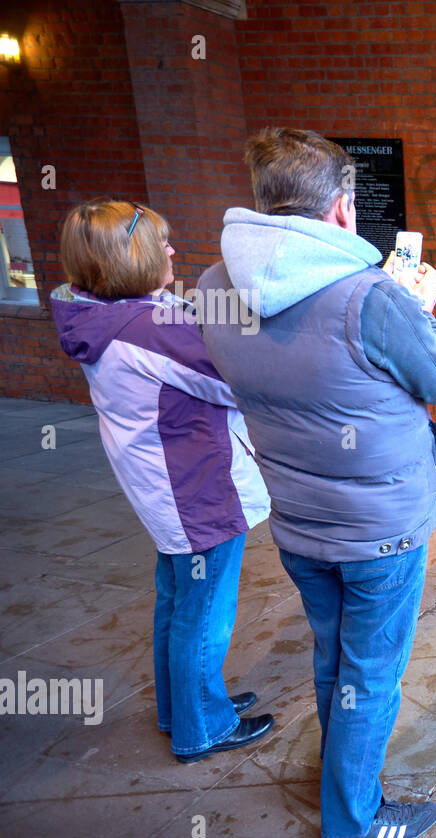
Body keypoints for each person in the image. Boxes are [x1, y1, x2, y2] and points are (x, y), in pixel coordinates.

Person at [196, 128, 436, 838]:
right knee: (372, 669)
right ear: (344, 208)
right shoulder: (371, 296)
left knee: (333, 654)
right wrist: (422, 309)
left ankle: (339, 781)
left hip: (296, 517)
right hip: (380, 523)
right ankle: (353, 821)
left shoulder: (212, 287)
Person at [50, 200, 274, 764]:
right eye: (162, 244)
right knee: (205, 611)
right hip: (197, 491)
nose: (173, 251)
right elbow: (240, 381)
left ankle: (185, 705)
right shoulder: (152, 327)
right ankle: (205, 726)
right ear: (131, 258)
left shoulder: (99, 314)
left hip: (163, 488)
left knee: (176, 600)